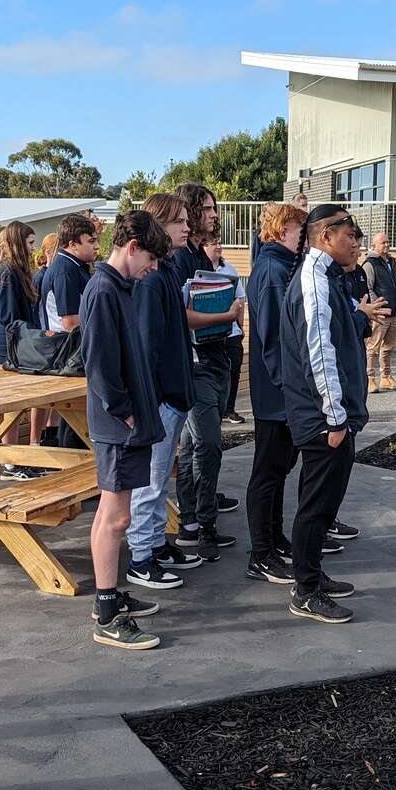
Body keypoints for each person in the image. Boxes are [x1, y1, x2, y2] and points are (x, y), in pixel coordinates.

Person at [79, 211, 173, 647]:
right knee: (116, 519)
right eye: (150, 258)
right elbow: (98, 364)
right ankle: (105, 611)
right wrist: (123, 410)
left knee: (112, 515)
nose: (152, 268)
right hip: (118, 426)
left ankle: (111, 596)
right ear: (132, 247)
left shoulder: (120, 287)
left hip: (125, 422)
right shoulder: (102, 290)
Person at [281, 205, 366, 623]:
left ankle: (312, 574)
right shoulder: (315, 282)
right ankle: (306, 590)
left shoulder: (328, 277)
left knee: (322, 502)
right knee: (316, 505)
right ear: (325, 236)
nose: (356, 242)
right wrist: (335, 420)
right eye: (350, 233)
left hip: (330, 414)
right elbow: (320, 355)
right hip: (322, 418)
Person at [125, 192, 204, 590]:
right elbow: (145, 346)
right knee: (150, 480)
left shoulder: (168, 271)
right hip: (159, 399)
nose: (187, 228)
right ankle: (140, 556)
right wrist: (152, 399)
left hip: (172, 394)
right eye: (178, 222)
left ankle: (155, 543)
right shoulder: (151, 279)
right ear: (157, 225)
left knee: (161, 478)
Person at [174, 182, 243, 559]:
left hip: (214, 358)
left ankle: (195, 523)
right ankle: (200, 524)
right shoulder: (181, 258)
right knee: (205, 446)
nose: (214, 215)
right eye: (206, 208)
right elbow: (183, 316)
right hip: (197, 364)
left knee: (197, 447)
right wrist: (225, 314)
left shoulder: (198, 255)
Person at [243, 202, 308, 585]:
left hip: (283, 393)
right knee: (267, 473)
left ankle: (273, 538)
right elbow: (271, 338)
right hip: (276, 396)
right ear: (283, 230)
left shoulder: (280, 267)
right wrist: (289, 388)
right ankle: (260, 553)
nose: (303, 236)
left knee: (279, 470)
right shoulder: (271, 271)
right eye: (299, 229)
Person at [203, 231, 247, 423]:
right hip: (210, 332)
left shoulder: (229, 269)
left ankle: (229, 408)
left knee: (234, 368)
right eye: (214, 244)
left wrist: (239, 323)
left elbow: (240, 297)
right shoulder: (200, 270)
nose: (218, 247)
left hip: (231, 331)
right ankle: (216, 409)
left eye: (220, 243)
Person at [0, 222, 39, 366]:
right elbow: (8, 316)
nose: (34, 248)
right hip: (7, 347)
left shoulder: (15, 270)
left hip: (16, 343)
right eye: (31, 243)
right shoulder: (8, 271)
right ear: (18, 244)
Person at [361, 231, 396, 391]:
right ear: (374, 246)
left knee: (388, 347)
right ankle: (370, 378)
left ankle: (386, 377)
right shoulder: (370, 264)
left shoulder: (391, 262)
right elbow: (367, 287)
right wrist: (378, 307)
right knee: (373, 347)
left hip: (394, 312)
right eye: (383, 243)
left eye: (387, 242)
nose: (386, 245)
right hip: (380, 314)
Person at [40, 213, 98, 334]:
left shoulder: (73, 265)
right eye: (91, 242)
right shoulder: (65, 271)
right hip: (67, 347)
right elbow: (71, 324)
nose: (97, 246)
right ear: (73, 245)